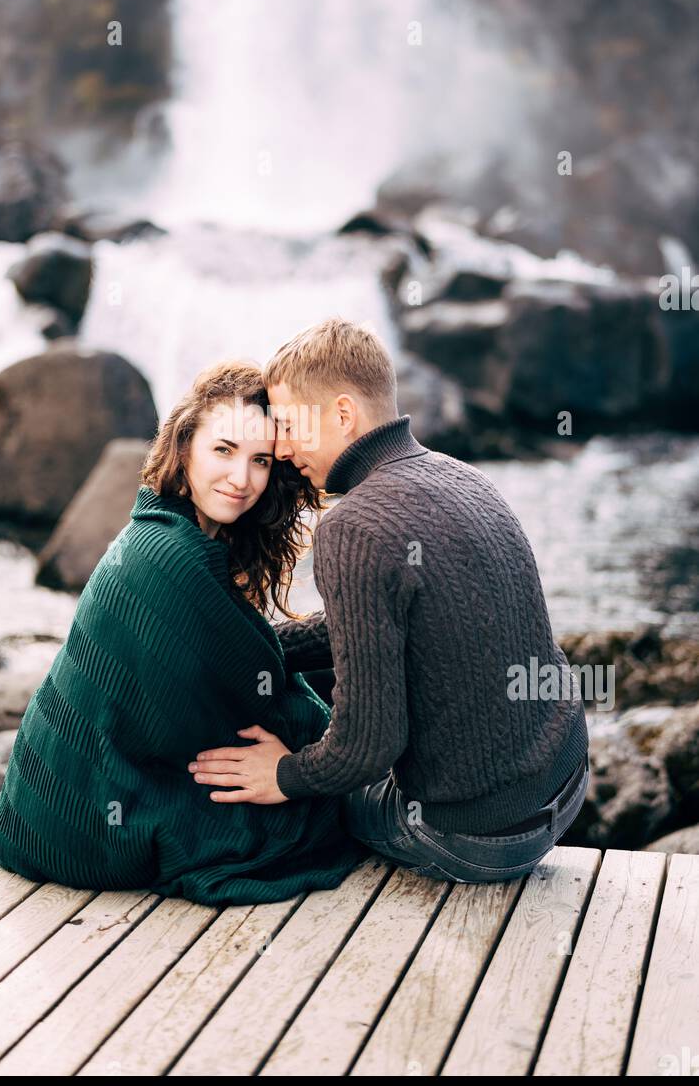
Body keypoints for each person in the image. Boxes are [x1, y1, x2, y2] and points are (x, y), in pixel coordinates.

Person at [188, 317, 591, 885]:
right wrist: (262, 647)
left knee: (309, 798)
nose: (278, 448)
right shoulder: (464, 476)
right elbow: (381, 619)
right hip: (566, 780)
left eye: (286, 425)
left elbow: (365, 749)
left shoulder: (353, 526)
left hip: (476, 839)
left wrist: (281, 774)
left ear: (344, 414)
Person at [0, 360, 367, 906]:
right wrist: (323, 759)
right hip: (85, 825)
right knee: (320, 814)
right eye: (223, 450)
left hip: (41, 800)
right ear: (185, 448)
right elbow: (259, 695)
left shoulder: (158, 526)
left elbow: (243, 666)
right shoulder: (172, 559)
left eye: (259, 461)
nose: (241, 479)